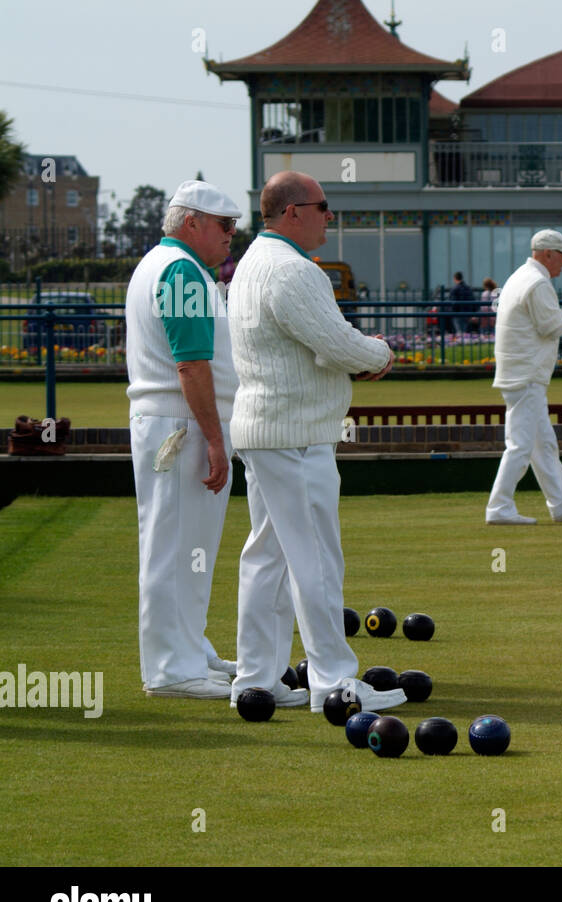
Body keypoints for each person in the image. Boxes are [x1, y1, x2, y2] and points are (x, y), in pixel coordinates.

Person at [226, 170, 407, 714]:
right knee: (316, 560)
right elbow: (337, 344)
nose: (331, 215)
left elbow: (316, 345)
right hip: (296, 435)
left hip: (266, 430)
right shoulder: (293, 271)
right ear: (292, 212)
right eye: (324, 206)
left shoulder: (253, 264)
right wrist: (380, 354)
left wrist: (349, 352)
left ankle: (257, 678)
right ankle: (333, 680)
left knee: (269, 557)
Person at [126, 180, 242, 699]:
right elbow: (191, 364)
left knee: (185, 545)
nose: (231, 236)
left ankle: (187, 648)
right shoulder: (181, 272)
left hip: (177, 422)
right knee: (176, 547)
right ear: (192, 222)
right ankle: (174, 668)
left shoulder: (171, 265)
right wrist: (216, 441)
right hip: (182, 424)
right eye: (224, 225)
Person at [485, 229, 562, 524]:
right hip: (526, 375)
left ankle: (561, 502)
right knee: (521, 444)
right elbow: (552, 328)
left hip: (521, 373)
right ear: (547, 253)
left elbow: (545, 324)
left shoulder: (522, 277)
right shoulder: (537, 282)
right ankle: (499, 507)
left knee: (541, 442)